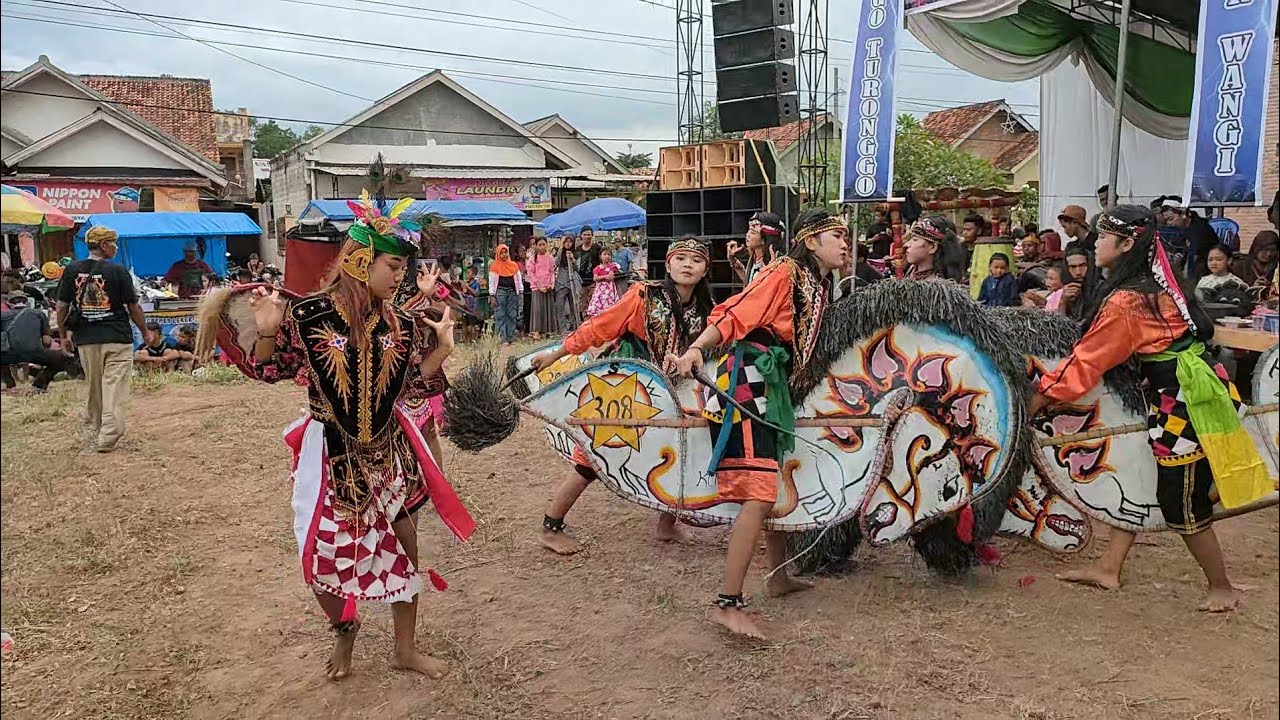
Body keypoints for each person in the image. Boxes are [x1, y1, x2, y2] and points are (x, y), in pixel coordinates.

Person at [246, 191, 473, 680]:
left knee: (406, 542)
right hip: (329, 453)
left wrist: (443, 350)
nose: (400, 278)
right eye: (393, 266)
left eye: (402, 269)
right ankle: (344, 634)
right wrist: (266, 331)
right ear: (360, 260)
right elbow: (267, 371)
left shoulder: (401, 323)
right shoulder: (307, 317)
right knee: (325, 557)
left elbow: (411, 387)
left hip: (387, 452)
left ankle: (404, 648)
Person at [1030, 205, 1268, 613]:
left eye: (1104, 238)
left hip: (1184, 400)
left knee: (1180, 495)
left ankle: (1221, 586)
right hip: (1189, 386)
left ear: (1126, 244)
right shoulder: (1152, 283)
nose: (1096, 244)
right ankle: (1110, 566)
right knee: (1143, 467)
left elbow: (1087, 361)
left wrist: (1037, 396)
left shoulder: (1129, 300)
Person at [668, 208, 848, 639]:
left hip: (771, 384)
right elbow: (736, 313)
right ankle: (728, 603)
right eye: (836, 235)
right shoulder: (783, 271)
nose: (845, 243)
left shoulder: (820, 285)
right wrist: (695, 348)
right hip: (747, 383)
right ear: (810, 241)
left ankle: (778, 576)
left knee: (773, 480)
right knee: (761, 491)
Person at [529, 236, 714, 555]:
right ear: (668, 264)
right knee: (594, 459)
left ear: (705, 269)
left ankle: (666, 524)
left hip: (674, 387)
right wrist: (556, 355)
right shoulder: (643, 295)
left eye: (695, 260)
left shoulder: (705, 308)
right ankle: (551, 524)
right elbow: (599, 327)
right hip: (627, 384)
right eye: (680, 258)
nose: (687, 265)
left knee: (681, 448)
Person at [57, 225, 152, 453]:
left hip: (86, 338)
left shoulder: (72, 270)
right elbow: (133, 306)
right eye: (112, 243)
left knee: (95, 386)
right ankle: (108, 434)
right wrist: (145, 331)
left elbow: (62, 307)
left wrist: (63, 336)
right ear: (103, 245)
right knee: (114, 386)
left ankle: (98, 427)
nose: (116, 248)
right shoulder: (118, 271)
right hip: (116, 336)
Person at [1, 292, 70, 392]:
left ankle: (10, 385)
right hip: (33, 351)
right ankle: (39, 385)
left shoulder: (3, 316)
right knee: (63, 358)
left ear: (8, 304)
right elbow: (46, 342)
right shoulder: (39, 314)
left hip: (8, 353)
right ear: (26, 301)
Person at [902, 215, 966, 281]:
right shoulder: (910, 272)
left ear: (933, 247)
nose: (906, 245)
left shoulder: (940, 287)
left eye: (915, 239)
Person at [728, 211, 785, 284]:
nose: (747, 235)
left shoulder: (777, 264)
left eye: (752, 232)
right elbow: (750, 284)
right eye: (748, 231)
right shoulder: (755, 259)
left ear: (764, 240)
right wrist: (733, 261)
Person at [489, 244, 523, 345]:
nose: (504, 255)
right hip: (500, 292)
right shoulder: (495, 266)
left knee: (512, 314)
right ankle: (502, 338)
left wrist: (520, 291)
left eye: (505, 252)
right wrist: (492, 295)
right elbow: (491, 281)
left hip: (512, 292)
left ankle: (510, 337)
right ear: (498, 254)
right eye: (502, 253)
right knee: (500, 315)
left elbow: (518, 278)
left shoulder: (513, 265)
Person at [1232, 230, 1279, 304]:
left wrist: (1271, 287)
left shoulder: (1277, 266)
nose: (1269, 254)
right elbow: (1233, 291)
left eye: (1272, 250)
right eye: (1265, 250)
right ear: (1257, 248)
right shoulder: (1241, 266)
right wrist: (1251, 287)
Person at [525, 238, 556, 340]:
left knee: (548, 308)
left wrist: (552, 283)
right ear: (536, 246)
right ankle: (536, 331)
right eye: (540, 245)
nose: (542, 247)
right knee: (537, 310)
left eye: (544, 244)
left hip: (547, 286)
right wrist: (539, 286)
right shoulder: (532, 259)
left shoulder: (550, 258)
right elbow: (530, 273)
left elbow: (552, 271)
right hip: (537, 287)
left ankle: (547, 330)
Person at [1058, 246, 1098, 320]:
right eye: (1073, 267)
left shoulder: (1100, 288)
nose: (1078, 272)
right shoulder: (1067, 290)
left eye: (1082, 265)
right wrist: (1063, 302)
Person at [553, 236, 583, 334]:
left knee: (574, 305)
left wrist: (572, 259)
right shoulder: (560, 253)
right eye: (566, 241)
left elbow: (577, 269)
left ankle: (574, 326)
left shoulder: (577, 254)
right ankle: (563, 329)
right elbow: (555, 263)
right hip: (561, 282)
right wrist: (561, 248)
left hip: (572, 282)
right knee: (560, 306)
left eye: (570, 241)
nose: (568, 244)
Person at [574, 227, 604, 316]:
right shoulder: (577, 249)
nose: (587, 237)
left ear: (592, 235)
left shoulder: (598, 249)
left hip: (594, 283)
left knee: (594, 307)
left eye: (589, 235)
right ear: (581, 236)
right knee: (583, 308)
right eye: (585, 234)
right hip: (581, 284)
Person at [586, 248, 620, 317]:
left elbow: (610, 276)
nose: (607, 256)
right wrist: (605, 277)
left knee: (610, 305)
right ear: (600, 256)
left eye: (609, 255)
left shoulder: (612, 266)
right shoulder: (597, 268)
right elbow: (595, 278)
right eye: (605, 254)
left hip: (609, 290)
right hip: (600, 290)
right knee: (597, 304)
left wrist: (602, 277)